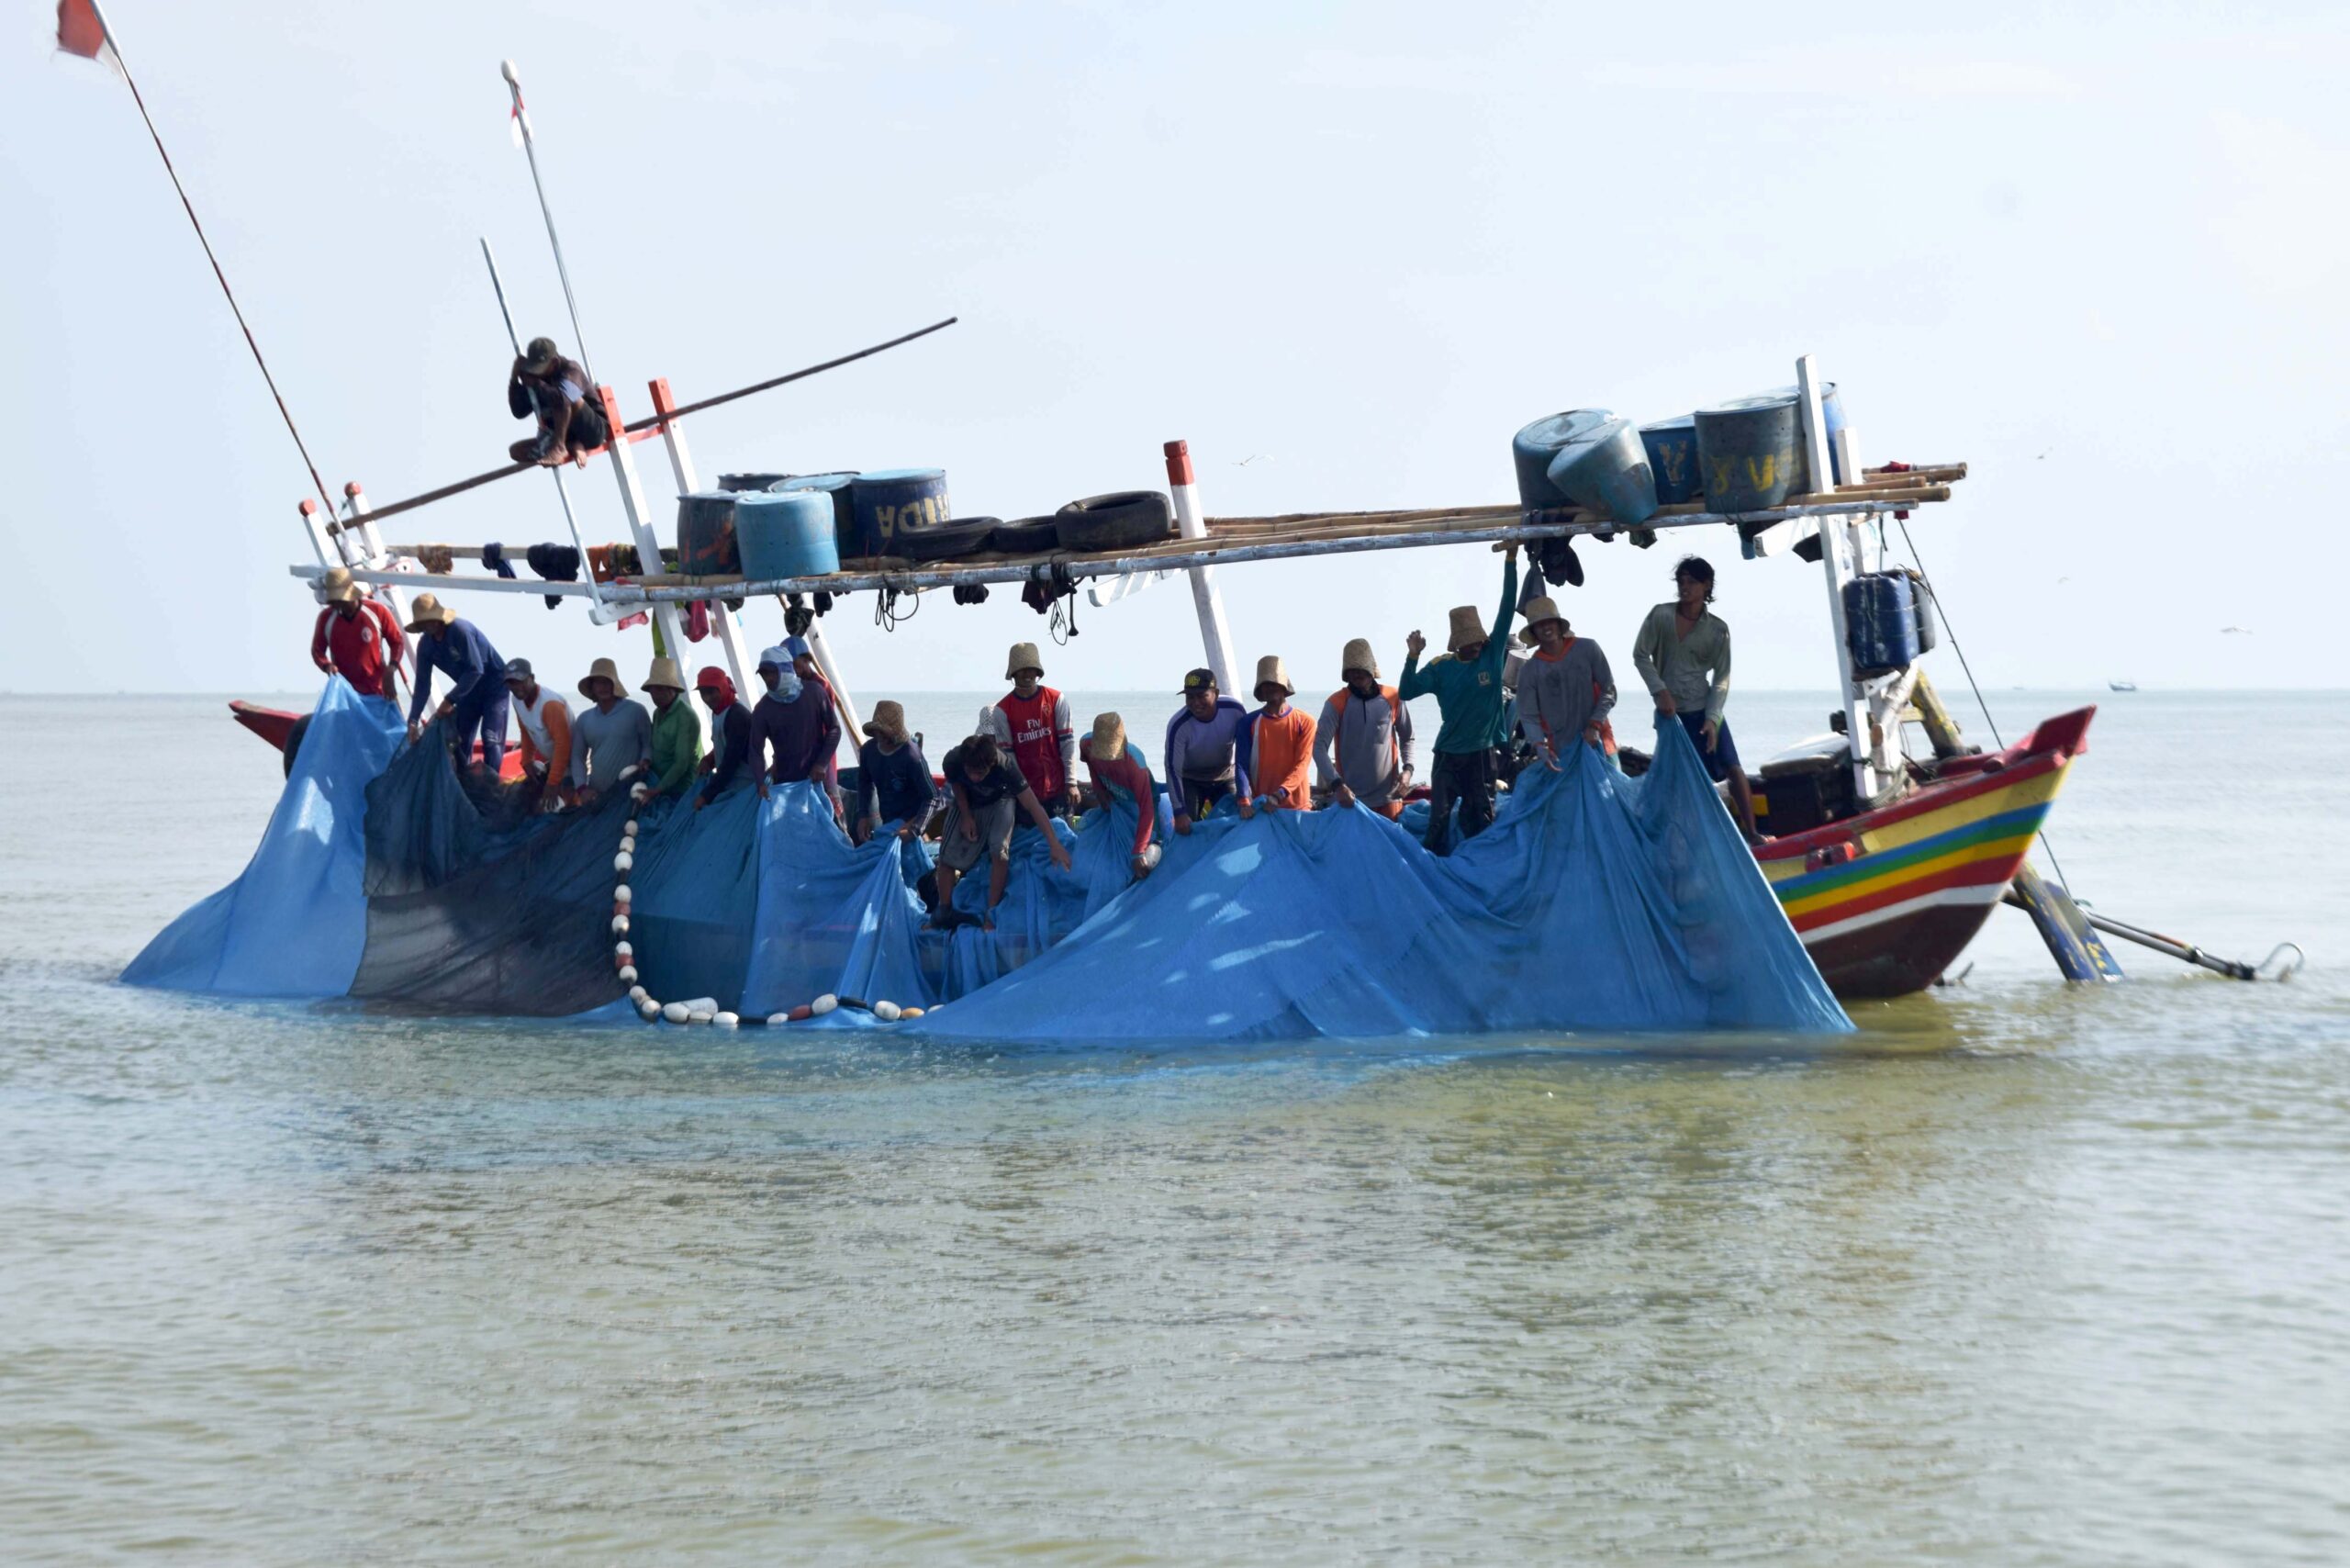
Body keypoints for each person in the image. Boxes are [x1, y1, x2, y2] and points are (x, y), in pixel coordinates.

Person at [1399, 543, 1520, 854]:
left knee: (1480, 819)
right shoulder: (1442, 667)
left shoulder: (1492, 655)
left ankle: (1480, 872)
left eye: (1478, 640)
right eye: (1468, 643)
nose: (1476, 645)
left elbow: (1507, 605)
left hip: (1482, 755)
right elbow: (1407, 691)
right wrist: (1412, 657)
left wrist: (1510, 559)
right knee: (1437, 820)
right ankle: (1433, 873)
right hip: (1448, 756)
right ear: (1457, 645)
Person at [1633, 554, 1762, 841]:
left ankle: (1752, 832)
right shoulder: (1661, 615)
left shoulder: (1718, 629)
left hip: (1704, 709)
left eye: (1692, 581)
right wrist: (1660, 690)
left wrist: (1713, 718)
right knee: (1681, 779)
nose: (1685, 586)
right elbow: (1640, 655)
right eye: (1681, 581)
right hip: (1671, 716)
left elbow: (1721, 678)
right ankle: (1693, 839)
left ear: (1707, 586)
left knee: (1732, 766)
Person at [934, 733, 1071, 924]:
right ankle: (944, 910)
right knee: (946, 856)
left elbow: (1033, 805)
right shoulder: (953, 760)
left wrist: (1054, 844)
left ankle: (992, 911)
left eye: (980, 773)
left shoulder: (1005, 766)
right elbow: (957, 783)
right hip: (968, 800)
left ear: (990, 766)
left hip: (1000, 799)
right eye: (970, 772)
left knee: (999, 850)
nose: (974, 777)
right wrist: (966, 816)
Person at [404, 593, 509, 775]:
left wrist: (449, 700)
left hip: (494, 687)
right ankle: (463, 785)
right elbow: (422, 685)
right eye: (422, 623)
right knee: (459, 742)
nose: (427, 625)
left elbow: (476, 669)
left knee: (490, 739)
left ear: (438, 618)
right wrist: (413, 720)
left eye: (429, 620)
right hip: (468, 691)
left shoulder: (460, 631)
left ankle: (492, 788)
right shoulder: (425, 646)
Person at [1314, 638, 1415, 817]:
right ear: (1346, 673)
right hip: (1350, 800)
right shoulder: (1336, 703)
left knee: (1389, 844)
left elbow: (1408, 737)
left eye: (1361, 668)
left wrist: (1408, 770)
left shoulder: (1393, 697)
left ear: (1371, 669)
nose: (1357, 674)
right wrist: (1337, 785)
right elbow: (1319, 748)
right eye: (1352, 670)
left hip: (1389, 799)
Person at [1514, 596, 1617, 770]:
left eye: (1549, 621)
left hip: (1598, 741)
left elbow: (1609, 690)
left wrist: (1594, 725)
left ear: (1558, 624)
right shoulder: (1530, 671)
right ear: (1533, 632)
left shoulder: (1588, 649)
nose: (1546, 627)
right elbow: (1528, 715)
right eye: (1539, 624)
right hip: (1562, 751)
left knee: (1610, 794)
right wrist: (1540, 746)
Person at [749, 644, 842, 812]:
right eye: (763, 674)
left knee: (829, 829)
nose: (768, 678)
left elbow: (834, 729)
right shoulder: (762, 709)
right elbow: (755, 750)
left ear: (785, 670)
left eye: (772, 672)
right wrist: (760, 782)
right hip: (785, 787)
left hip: (816, 781)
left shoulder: (815, 692)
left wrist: (821, 764)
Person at [1161, 667, 1254, 834]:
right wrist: (1180, 812)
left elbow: (1244, 755)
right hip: (1191, 779)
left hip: (1225, 776)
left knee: (1238, 825)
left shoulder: (1234, 711)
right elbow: (1172, 769)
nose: (1196, 703)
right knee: (1186, 830)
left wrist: (1244, 794)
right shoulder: (1178, 725)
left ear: (1216, 694)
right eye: (1190, 697)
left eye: (1202, 696)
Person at [996, 641, 1077, 816]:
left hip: (1058, 786)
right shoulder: (1002, 710)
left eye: (1031, 668)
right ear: (1013, 674)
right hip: (1027, 791)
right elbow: (1008, 756)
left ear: (1038, 671)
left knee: (1063, 836)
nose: (1027, 674)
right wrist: (1020, 790)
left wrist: (1071, 783)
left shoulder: (1056, 699)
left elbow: (1067, 744)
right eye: (1022, 669)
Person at [1081, 712, 1161, 880]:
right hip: (1116, 801)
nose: (1107, 759)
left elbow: (1147, 808)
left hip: (1139, 807)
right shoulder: (1086, 744)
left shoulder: (1135, 764)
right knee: (1094, 855)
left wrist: (1138, 851)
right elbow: (1091, 766)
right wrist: (1099, 791)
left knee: (1145, 856)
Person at [506, 336, 608, 467]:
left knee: (566, 399)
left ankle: (560, 448)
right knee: (516, 451)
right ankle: (571, 445)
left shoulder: (571, 369)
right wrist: (514, 380)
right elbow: (519, 412)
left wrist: (537, 384)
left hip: (593, 430)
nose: (537, 373)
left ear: (554, 362)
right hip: (565, 435)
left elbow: (563, 400)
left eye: (540, 369)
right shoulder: (535, 377)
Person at [309, 566, 405, 700]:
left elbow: (397, 641)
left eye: (337, 599)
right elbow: (317, 650)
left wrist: (392, 668)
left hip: (377, 690)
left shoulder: (377, 611)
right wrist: (327, 666)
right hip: (346, 693)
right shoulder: (326, 618)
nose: (334, 603)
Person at [853, 700, 940, 845]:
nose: (882, 736)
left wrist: (914, 829)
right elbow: (864, 783)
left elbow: (933, 797)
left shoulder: (911, 756)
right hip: (888, 816)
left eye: (885, 732)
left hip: (913, 816)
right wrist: (863, 815)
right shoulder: (868, 751)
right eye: (878, 732)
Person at [568, 655, 652, 807]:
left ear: (615, 684)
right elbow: (577, 757)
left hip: (628, 795)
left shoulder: (636, 711)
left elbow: (648, 744)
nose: (603, 687)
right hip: (596, 795)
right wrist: (582, 789)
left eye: (607, 682)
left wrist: (645, 759)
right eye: (598, 683)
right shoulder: (584, 719)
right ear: (592, 687)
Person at [1240, 655, 1314, 816]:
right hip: (1263, 807)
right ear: (1260, 691)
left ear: (1284, 687)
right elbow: (1241, 765)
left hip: (1298, 807)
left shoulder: (1305, 722)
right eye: (1265, 685)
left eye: (1274, 684)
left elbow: (1302, 764)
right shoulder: (1248, 722)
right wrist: (1244, 800)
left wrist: (1280, 793)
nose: (1270, 689)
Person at [503, 657, 574, 805]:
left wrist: (553, 782)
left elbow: (564, 745)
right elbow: (526, 732)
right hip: (552, 758)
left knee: (569, 802)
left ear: (532, 678)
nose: (516, 687)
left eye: (520, 681)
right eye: (511, 683)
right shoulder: (517, 700)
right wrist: (527, 761)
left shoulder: (550, 705)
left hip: (572, 760)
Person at [642, 657, 704, 801]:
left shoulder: (686, 716)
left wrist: (657, 790)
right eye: (652, 690)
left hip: (681, 792)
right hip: (659, 787)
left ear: (672, 690)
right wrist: (646, 761)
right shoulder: (657, 713)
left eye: (660, 689)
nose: (655, 695)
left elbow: (681, 763)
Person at [693, 665, 754, 811]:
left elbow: (730, 762)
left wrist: (706, 795)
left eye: (712, 692)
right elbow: (724, 746)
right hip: (729, 784)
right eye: (703, 694)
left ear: (723, 688)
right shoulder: (718, 711)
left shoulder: (738, 716)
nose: (708, 699)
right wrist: (708, 760)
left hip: (744, 787)